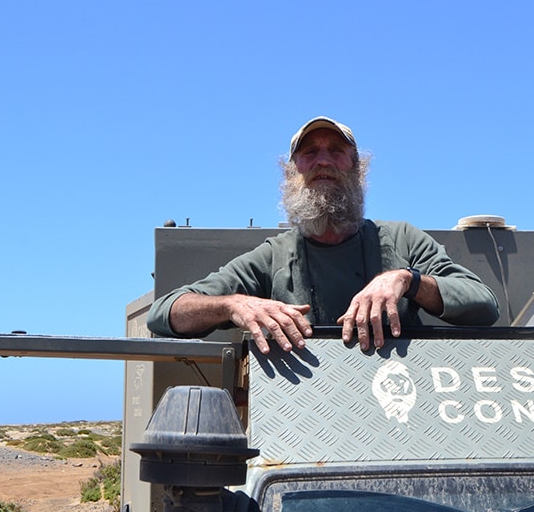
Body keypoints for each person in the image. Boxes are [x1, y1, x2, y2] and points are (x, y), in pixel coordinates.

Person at [147, 116, 499, 354]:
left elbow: (483, 304)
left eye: (336, 152)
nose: (323, 161)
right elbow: (164, 313)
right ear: (292, 172)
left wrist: (406, 280)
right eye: (310, 153)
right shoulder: (273, 256)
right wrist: (234, 304)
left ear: (358, 168)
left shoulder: (402, 240)